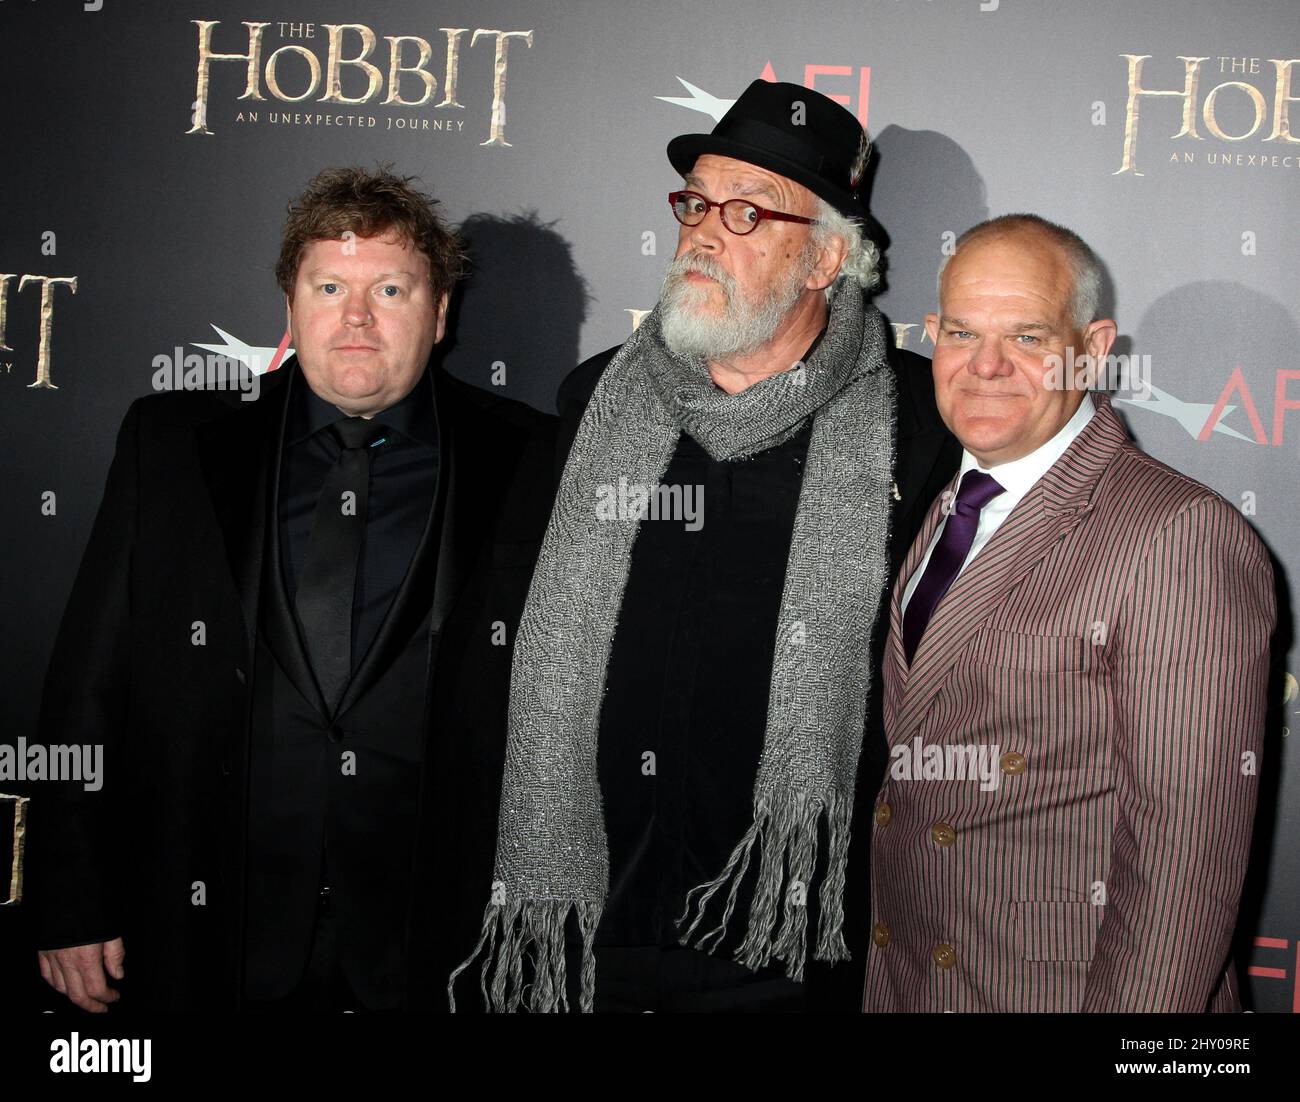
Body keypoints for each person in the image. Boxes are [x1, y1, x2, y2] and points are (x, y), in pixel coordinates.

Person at [450, 79, 959, 1012]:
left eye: (744, 210)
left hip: (789, 945)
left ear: (823, 261)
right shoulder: (593, 398)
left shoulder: (922, 423)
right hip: (591, 935)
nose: (701, 231)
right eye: (695, 203)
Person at [29, 165, 555, 1012]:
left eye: (390, 287)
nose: (356, 316)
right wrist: (70, 896)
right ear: (290, 305)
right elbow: (88, 681)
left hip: (442, 942)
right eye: (329, 286)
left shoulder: (535, 457)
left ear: (441, 312)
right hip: (206, 926)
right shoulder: (172, 442)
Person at [863, 214, 1275, 1012]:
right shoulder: (940, 499)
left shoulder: (1176, 534)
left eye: (1026, 336)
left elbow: (1184, 867)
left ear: (1091, 350)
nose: (985, 366)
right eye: (961, 332)